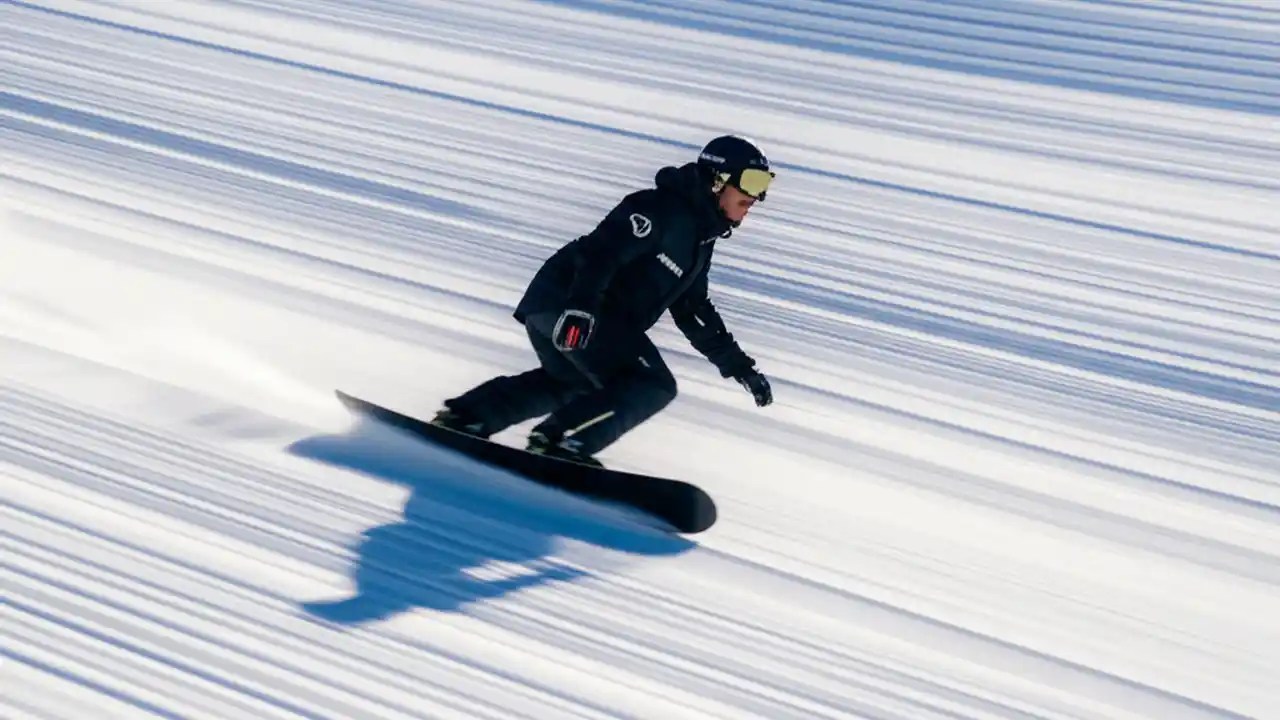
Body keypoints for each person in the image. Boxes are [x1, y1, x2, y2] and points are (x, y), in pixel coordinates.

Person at [430, 135, 775, 467]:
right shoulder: (658, 210)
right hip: (573, 305)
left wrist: (740, 368)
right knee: (652, 384)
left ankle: (467, 417)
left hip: (567, 309)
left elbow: (694, 311)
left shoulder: (699, 241)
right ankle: (561, 442)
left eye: (763, 186)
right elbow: (602, 252)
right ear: (718, 180)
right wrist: (581, 308)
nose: (756, 199)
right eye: (751, 185)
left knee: (572, 382)